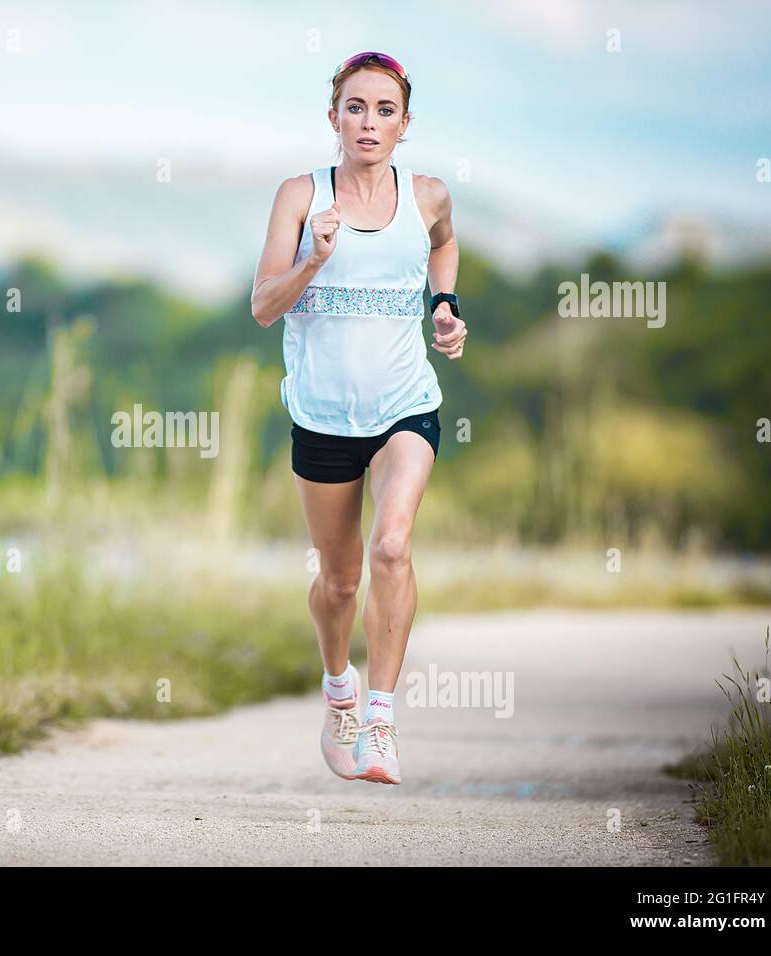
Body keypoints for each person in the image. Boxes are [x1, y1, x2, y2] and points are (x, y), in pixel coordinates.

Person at [250, 52, 467, 784]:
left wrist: (446, 306)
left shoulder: (429, 195)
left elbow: (443, 245)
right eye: (355, 107)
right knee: (340, 583)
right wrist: (313, 258)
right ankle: (339, 688)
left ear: (405, 125)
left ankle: (380, 719)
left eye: (384, 110)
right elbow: (261, 306)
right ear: (333, 117)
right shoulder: (298, 195)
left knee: (393, 546)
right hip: (321, 417)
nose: (368, 122)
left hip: (406, 406)